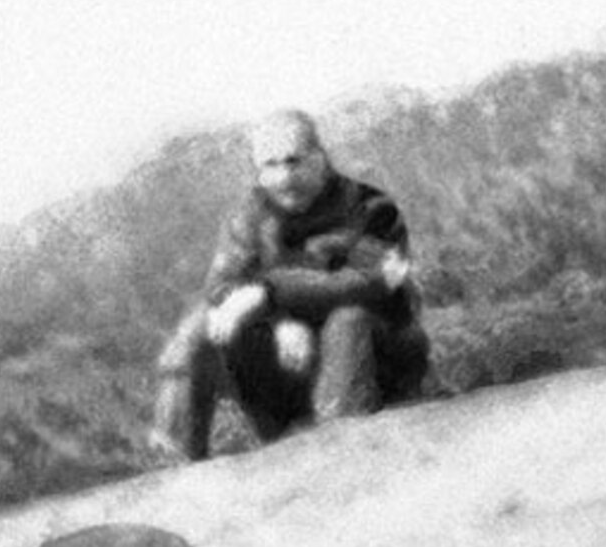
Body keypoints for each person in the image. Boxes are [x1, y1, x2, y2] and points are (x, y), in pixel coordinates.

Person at [149, 110, 433, 461]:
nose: (285, 177)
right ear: (258, 171)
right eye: (271, 165)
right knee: (198, 325)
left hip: (376, 365)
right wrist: (280, 320)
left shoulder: (370, 208)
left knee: (349, 317)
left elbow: (371, 281)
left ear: (320, 158)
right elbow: (222, 288)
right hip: (285, 372)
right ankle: (175, 467)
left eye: (294, 161)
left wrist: (267, 292)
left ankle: (344, 452)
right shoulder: (248, 217)